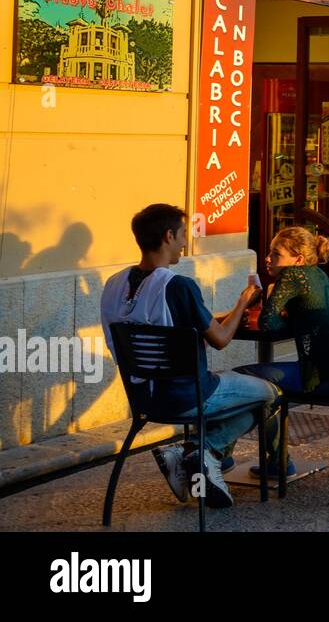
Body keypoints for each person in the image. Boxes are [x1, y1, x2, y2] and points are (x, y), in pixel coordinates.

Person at [100, 204, 278, 509]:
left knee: (248, 397)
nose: (185, 242)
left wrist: (218, 315)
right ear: (169, 236)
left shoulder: (114, 285)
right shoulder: (178, 286)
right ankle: (200, 450)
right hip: (190, 396)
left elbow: (178, 327)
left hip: (144, 398)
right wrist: (243, 303)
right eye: (183, 235)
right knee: (270, 395)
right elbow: (220, 340)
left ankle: (194, 456)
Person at [234, 226, 329, 477]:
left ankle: (266, 459)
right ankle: (236, 456)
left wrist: (258, 300)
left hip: (324, 377)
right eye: (269, 252)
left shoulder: (293, 276)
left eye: (276, 254)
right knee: (262, 386)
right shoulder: (317, 274)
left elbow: (268, 325)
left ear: (297, 259)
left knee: (244, 378)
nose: (267, 258)